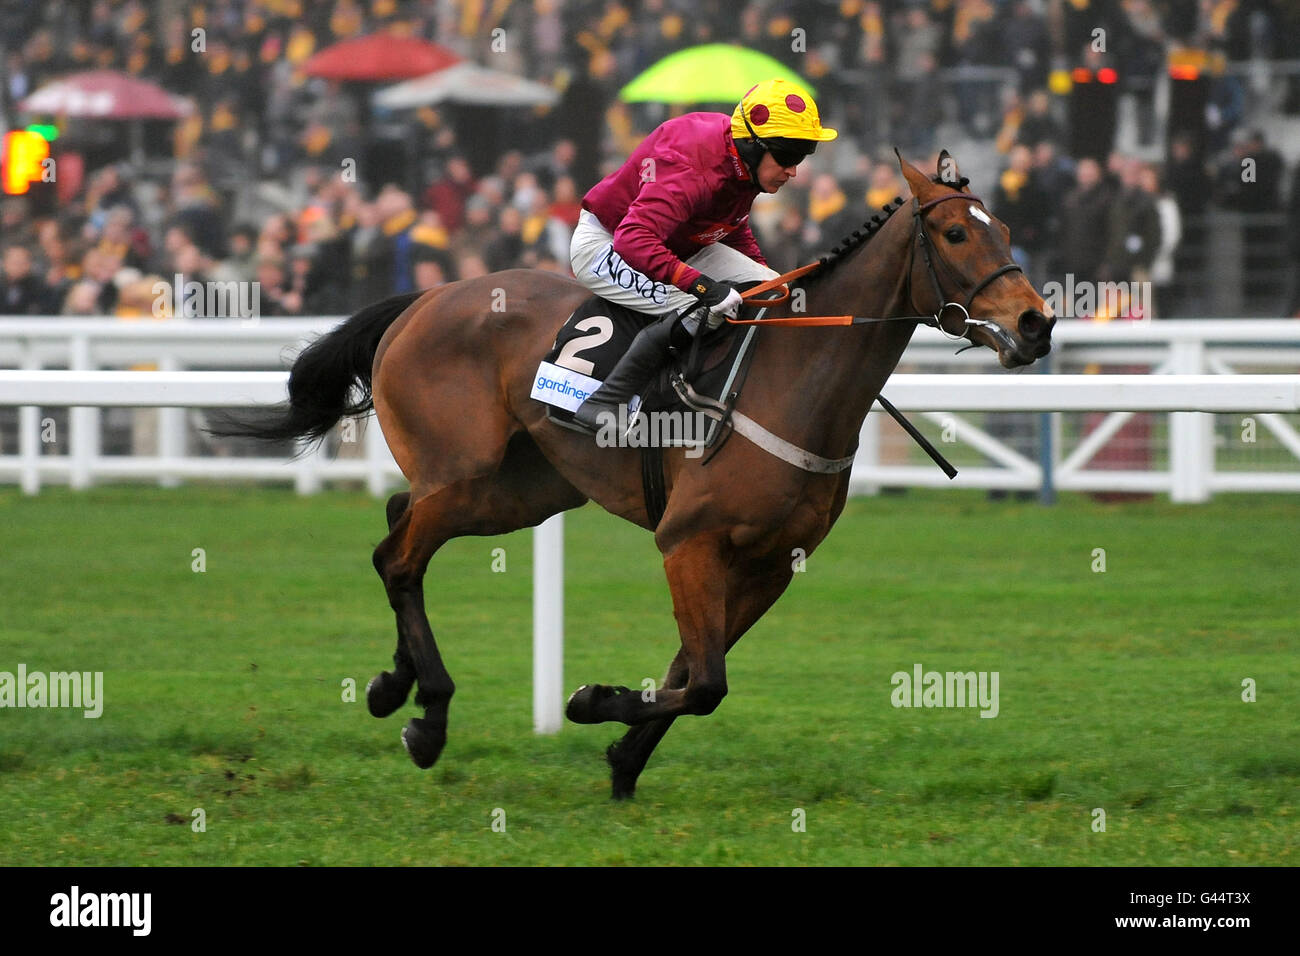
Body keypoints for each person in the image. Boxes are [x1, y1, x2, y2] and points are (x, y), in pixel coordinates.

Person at [568, 78, 837, 433]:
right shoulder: (693, 167)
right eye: (787, 156)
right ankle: (605, 402)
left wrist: (760, 271)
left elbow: (730, 225)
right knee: (711, 305)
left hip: (676, 244)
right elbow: (633, 239)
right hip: (607, 243)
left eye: (802, 157)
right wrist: (702, 287)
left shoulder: (742, 161)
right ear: (753, 146)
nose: (793, 170)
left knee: (773, 293)